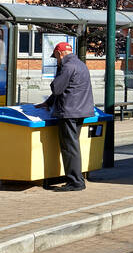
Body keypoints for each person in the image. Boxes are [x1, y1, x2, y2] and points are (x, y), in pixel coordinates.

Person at [37, 42, 95, 191]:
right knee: (73, 146)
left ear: (60, 53)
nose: (55, 60)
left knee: (69, 147)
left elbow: (56, 88)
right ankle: (75, 179)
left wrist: (58, 69)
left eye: (55, 57)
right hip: (80, 111)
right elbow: (69, 88)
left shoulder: (67, 66)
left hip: (69, 112)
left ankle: (75, 182)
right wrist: (48, 102)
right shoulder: (81, 64)